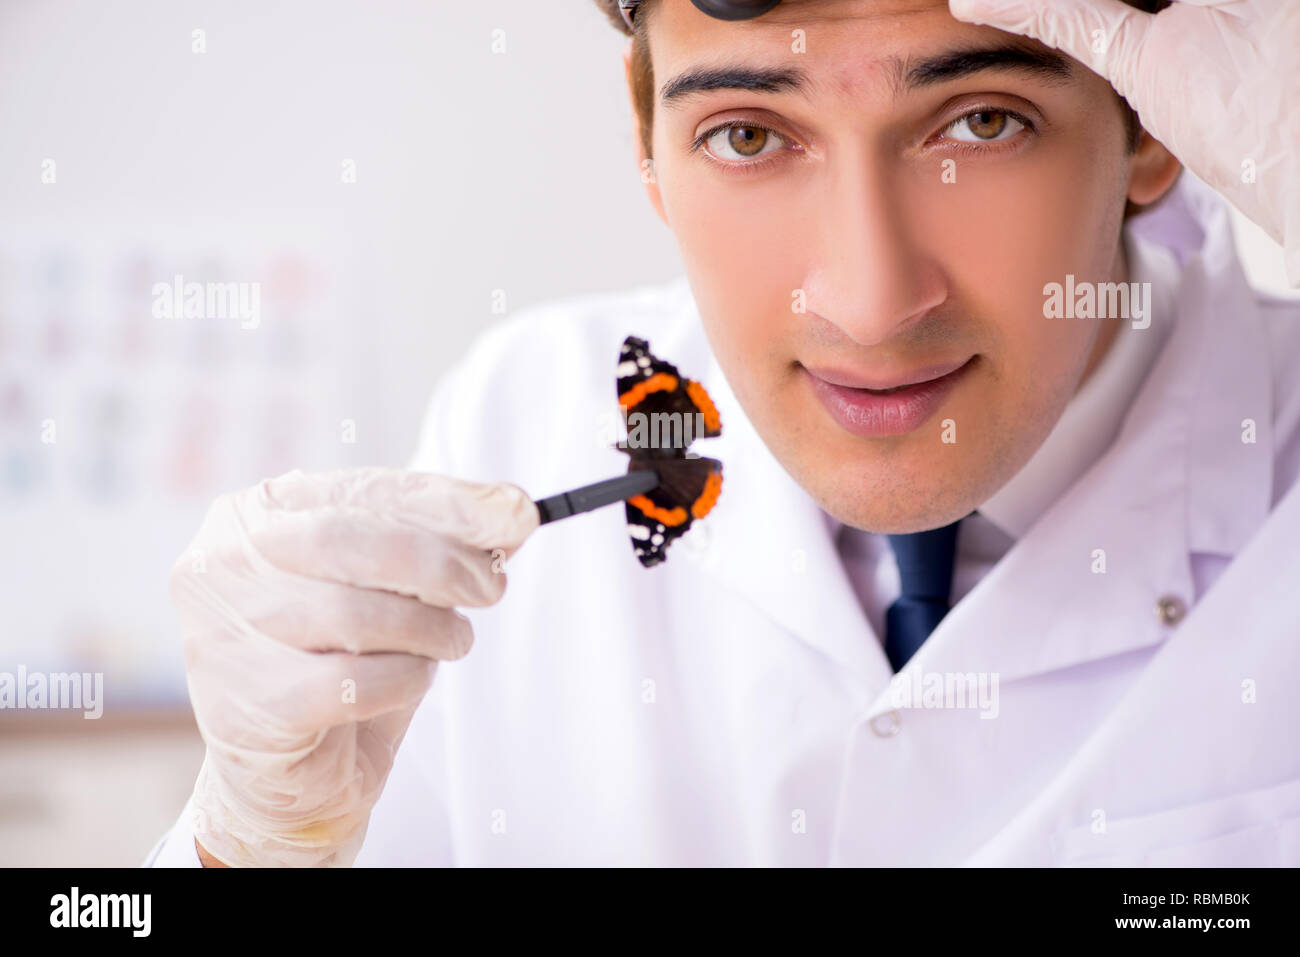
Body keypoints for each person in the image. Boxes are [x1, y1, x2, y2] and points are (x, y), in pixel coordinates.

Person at [144, 0, 1300, 867]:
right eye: (749, 136)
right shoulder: (522, 413)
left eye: (981, 121)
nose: (867, 300)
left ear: (1151, 130)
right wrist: (240, 848)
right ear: (646, 145)